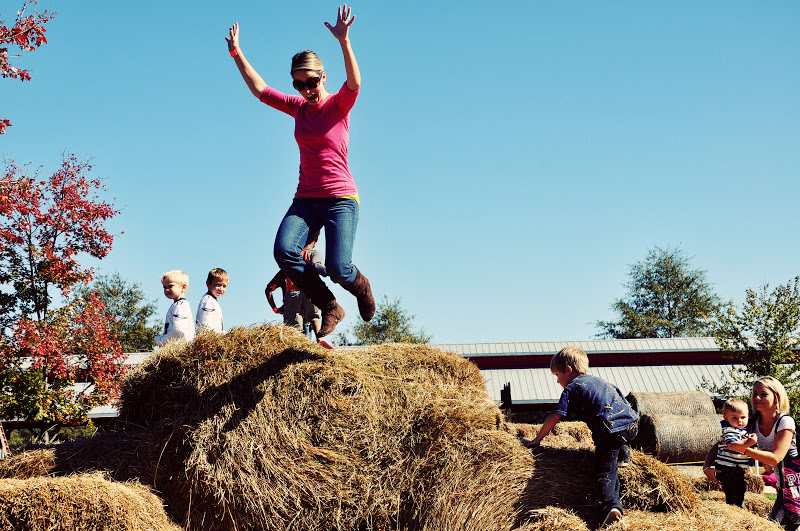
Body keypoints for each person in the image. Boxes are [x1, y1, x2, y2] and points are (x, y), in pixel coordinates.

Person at [226, 5, 375, 338]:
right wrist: (237, 53)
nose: (304, 90)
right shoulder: (298, 108)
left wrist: (344, 42)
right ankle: (331, 306)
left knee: (338, 268)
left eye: (309, 82)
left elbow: (355, 82)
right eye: (297, 84)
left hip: (340, 199)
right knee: (283, 251)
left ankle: (361, 288)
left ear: (322, 77)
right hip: (306, 198)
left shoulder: (338, 105)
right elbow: (260, 89)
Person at [522, 346, 639, 529]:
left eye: (557, 375)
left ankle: (612, 508)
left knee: (604, 472)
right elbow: (622, 402)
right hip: (631, 424)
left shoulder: (572, 387)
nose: (557, 381)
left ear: (568, 370)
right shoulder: (603, 382)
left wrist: (537, 439)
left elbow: (555, 416)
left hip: (609, 430)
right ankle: (624, 455)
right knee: (617, 444)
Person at [704, 377, 799, 530]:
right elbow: (722, 443)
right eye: (755, 393)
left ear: (777, 397)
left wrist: (742, 448)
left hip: (795, 485)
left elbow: (776, 458)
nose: (757, 398)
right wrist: (706, 466)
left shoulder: (785, 421)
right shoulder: (750, 422)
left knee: (776, 526)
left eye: (763, 394)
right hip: (784, 489)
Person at [706, 398, 751, 507]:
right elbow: (733, 445)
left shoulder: (741, 430)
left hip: (735, 467)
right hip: (728, 468)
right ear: (726, 418)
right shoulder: (729, 430)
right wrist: (750, 442)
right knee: (735, 494)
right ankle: (737, 511)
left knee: (739, 492)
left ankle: (737, 510)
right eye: (734, 418)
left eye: (743, 417)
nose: (739, 421)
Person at [155, 270, 195, 346]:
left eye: (170, 286)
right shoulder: (178, 304)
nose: (167, 290)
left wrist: (161, 340)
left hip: (179, 349)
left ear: (183, 287)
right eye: (165, 287)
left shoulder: (181, 306)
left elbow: (178, 330)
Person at [196, 268, 228, 334]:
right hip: (209, 341)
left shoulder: (213, 301)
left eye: (224, 286)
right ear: (208, 284)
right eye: (218, 285)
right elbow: (205, 325)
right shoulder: (208, 301)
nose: (221, 289)